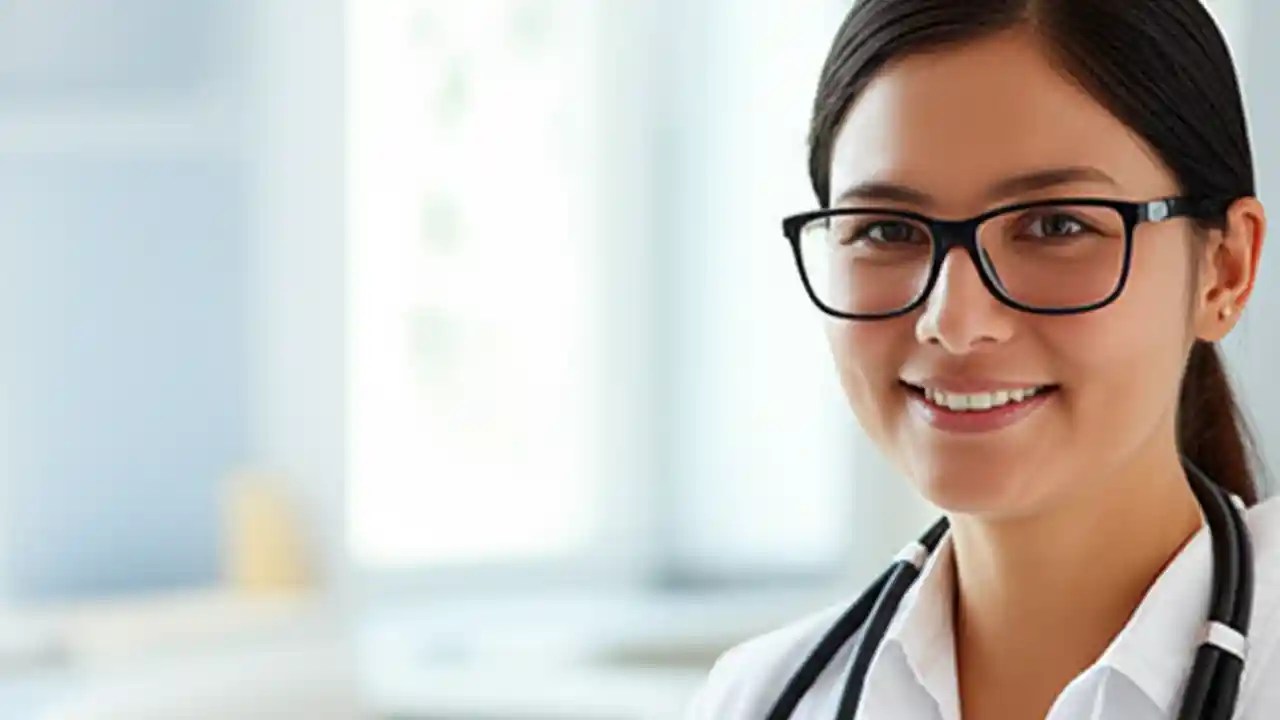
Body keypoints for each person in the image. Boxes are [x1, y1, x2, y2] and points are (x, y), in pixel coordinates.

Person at [684, 0, 1276, 718]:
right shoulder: (760, 697)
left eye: (1055, 225)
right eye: (888, 229)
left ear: (1225, 270)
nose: (954, 322)